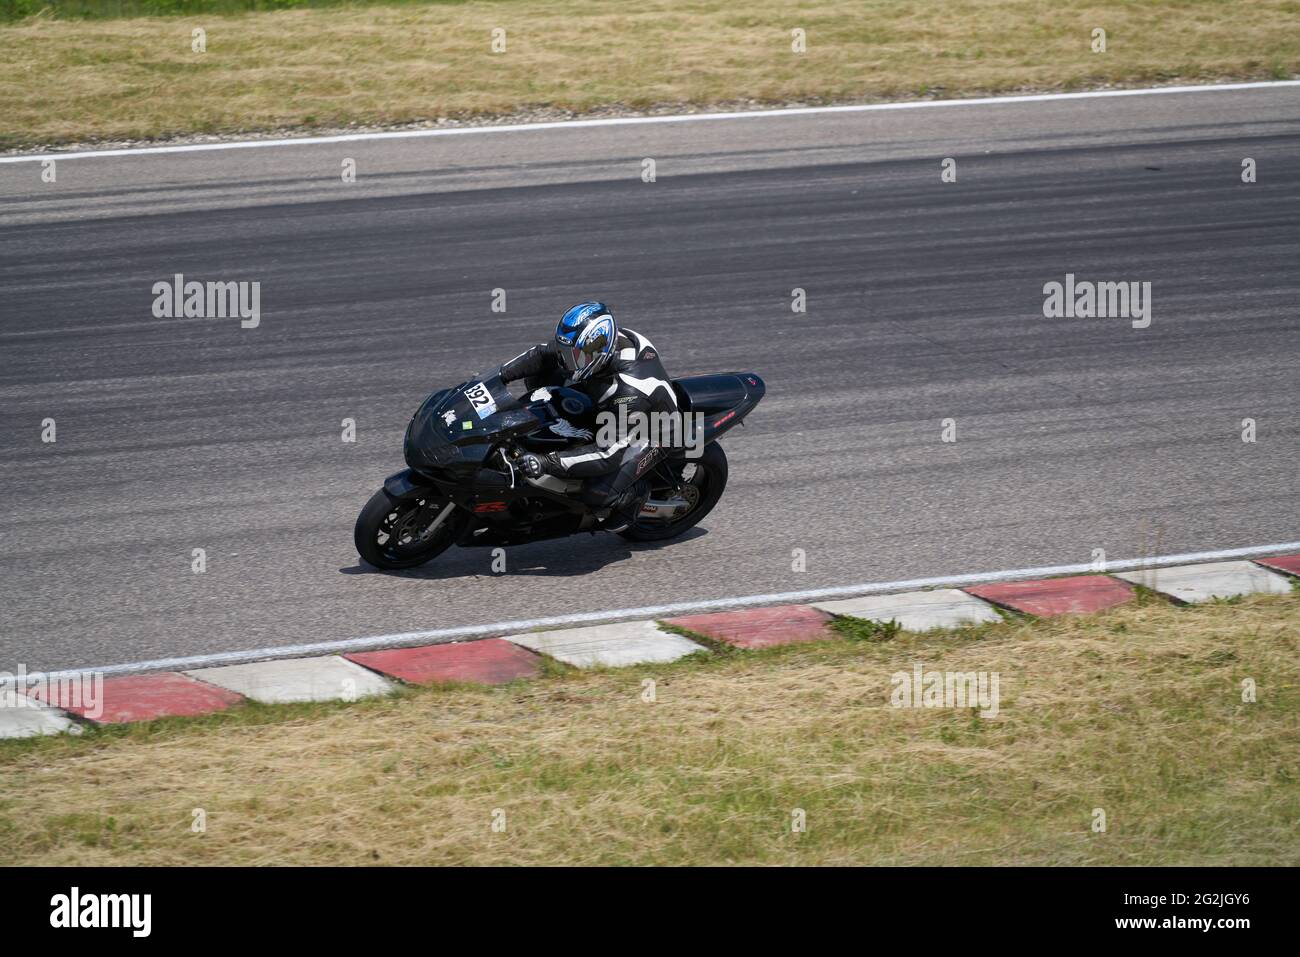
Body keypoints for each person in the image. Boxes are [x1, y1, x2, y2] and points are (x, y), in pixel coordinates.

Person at [499, 301, 678, 529]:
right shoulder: (588, 345)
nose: (567, 360)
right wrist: (499, 376)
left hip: (654, 431)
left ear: (599, 352)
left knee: (598, 495)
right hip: (613, 409)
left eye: (574, 356)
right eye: (566, 352)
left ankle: (635, 497)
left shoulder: (627, 392)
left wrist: (545, 462)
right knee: (539, 379)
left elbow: (608, 454)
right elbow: (542, 354)